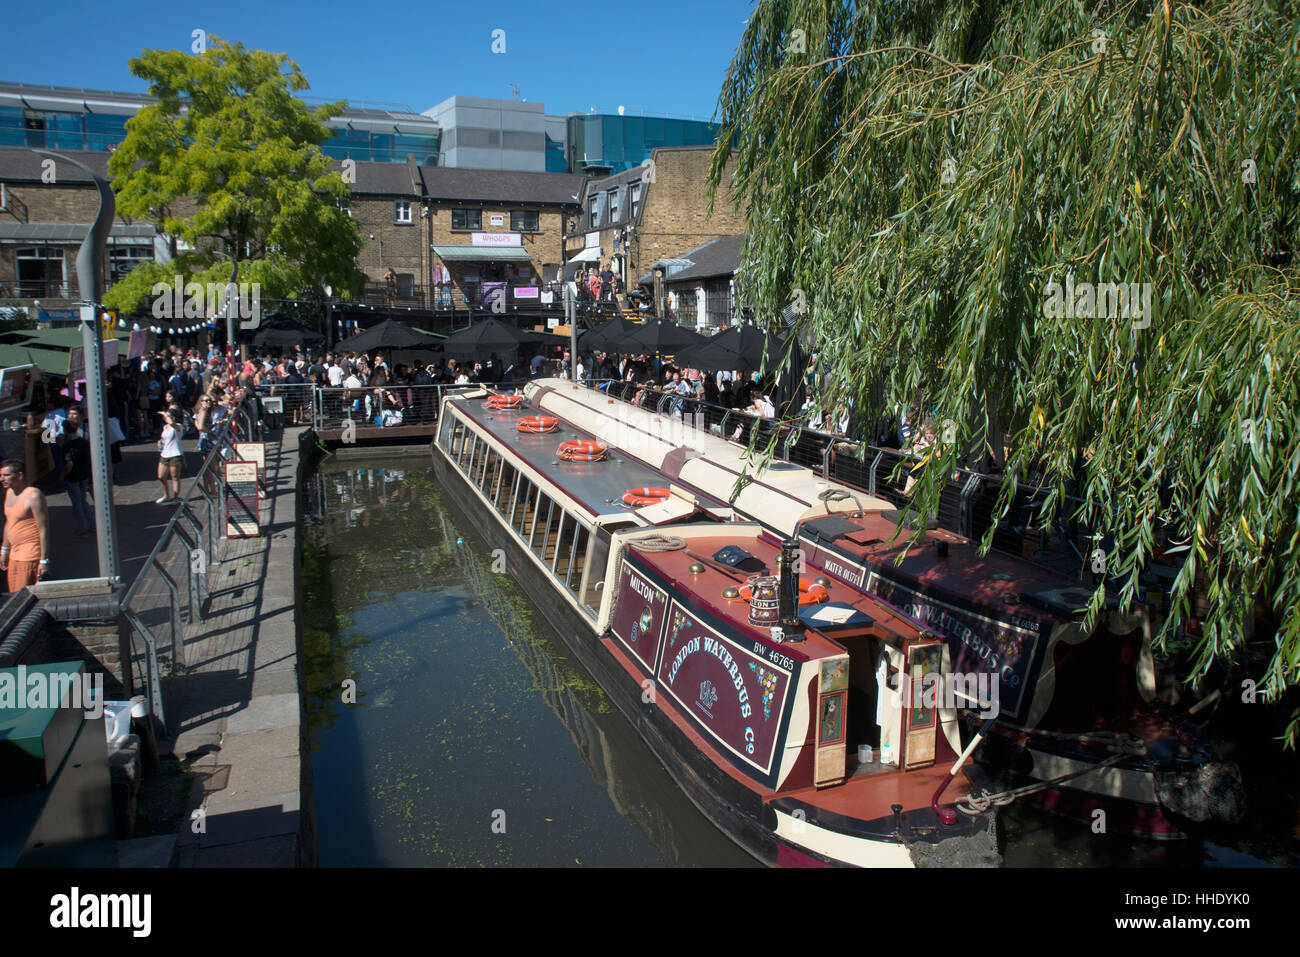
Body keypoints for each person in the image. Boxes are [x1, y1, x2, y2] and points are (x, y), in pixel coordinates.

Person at [1, 459, 49, 590]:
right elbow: (9, 522)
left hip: (29, 555)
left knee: (22, 596)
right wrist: (4, 550)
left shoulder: (33, 495)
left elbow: (43, 529)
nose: (2, 479)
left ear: (20, 476)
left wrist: (44, 560)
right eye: (1, 475)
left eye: (6, 475)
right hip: (14, 555)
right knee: (14, 595)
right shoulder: (9, 492)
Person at [61, 419, 94, 536]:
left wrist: (63, 475)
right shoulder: (83, 442)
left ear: (65, 430)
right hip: (84, 475)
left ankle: (83, 526)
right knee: (82, 500)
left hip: (73, 477)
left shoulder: (68, 445)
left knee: (77, 502)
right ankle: (92, 522)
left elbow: (69, 463)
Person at [156, 409, 184, 504]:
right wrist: (161, 441)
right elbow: (164, 438)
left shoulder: (178, 426)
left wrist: (165, 414)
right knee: (161, 476)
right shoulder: (165, 427)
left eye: (167, 416)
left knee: (175, 477)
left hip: (176, 454)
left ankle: (176, 498)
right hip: (165, 454)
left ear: (173, 417)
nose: (165, 417)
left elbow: (172, 424)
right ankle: (166, 495)